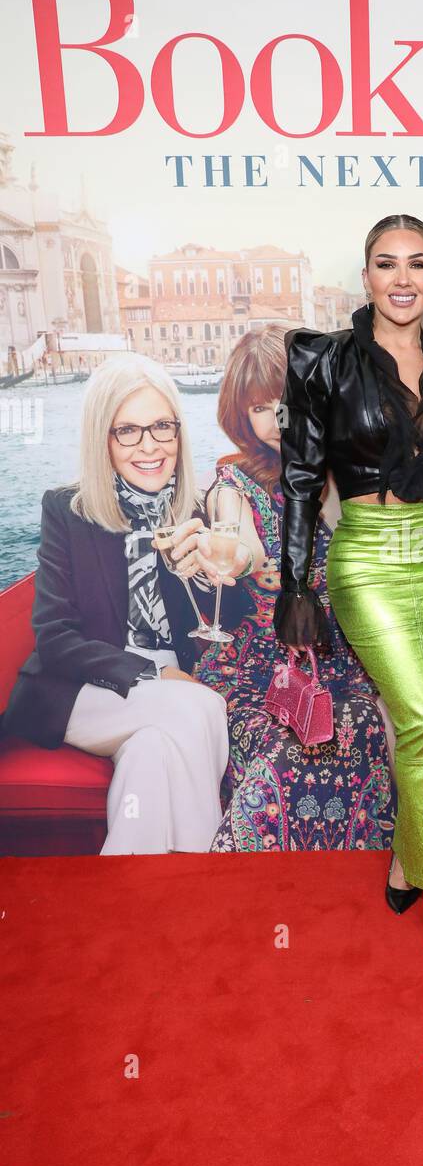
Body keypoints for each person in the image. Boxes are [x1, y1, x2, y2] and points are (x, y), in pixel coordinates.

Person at [274, 214, 423, 965]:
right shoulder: (324, 360)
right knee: (422, 717)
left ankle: (403, 862)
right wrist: (295, 582)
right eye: (387, 264)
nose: (403, 278)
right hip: (367, 560)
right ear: (365, 277)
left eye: (417, 264)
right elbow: (301, 476)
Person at [1, 357, 258, 854]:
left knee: (151, 752)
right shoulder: (67, 510)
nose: (150, 446)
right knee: (201, 707)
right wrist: (155, 674)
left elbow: (231, 615)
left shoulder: (194, 508)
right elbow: (55, 638)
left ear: (178, 431)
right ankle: (206, 875)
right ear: (103, 439)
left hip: (166, 694)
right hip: (81, 687)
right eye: (128, 431)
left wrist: (206, 570)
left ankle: (133, 883)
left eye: (162, 426)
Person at [192, 326, 397, 851]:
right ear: (240, 415)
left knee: (359, 725)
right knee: (290, 747)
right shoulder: (234, 484)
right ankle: (238, 875)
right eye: (260, 407)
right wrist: (237, 555)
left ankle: (352, 880)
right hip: (262, 673)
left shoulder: (344, 474)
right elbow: (238, 540)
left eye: (288, 402)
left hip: (342, 666)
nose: (277, 420)